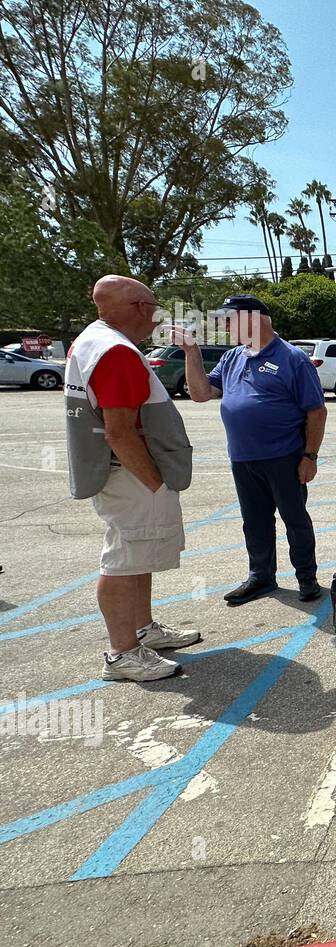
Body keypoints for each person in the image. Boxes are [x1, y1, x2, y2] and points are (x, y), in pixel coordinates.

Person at [64, 275, 200, 683]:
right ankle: (123, 653)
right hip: (130, 475)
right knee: (123, 559)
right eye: (154, 308)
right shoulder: (117, 352)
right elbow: (118, 431)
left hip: (123, 473)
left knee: (136, 555)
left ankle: (143, 630)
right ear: (140, 308)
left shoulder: (92, 340)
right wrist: (153, 481)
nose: (157, 318)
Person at [182, 295, 327, 606]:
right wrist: (191, 353)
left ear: (256, 319)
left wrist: (309, 457)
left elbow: (316, 412)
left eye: (231, 318)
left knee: (295, 519)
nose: (226, 325)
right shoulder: (233, 357)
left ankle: (307, 577)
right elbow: (201, 393)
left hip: (285, 457)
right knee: (255, 521)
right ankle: (261, 577)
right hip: (243, 458)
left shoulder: (292, 358)